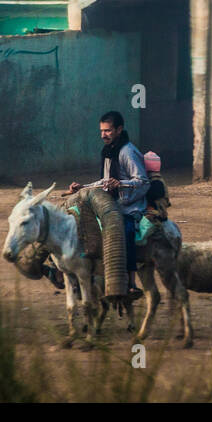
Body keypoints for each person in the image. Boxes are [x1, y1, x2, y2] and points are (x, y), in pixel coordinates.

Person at [63, 111, 150, 300]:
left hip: (130, 206)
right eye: (102, 131)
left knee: (123, 229)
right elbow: (105, 181)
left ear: (119, 130)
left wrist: (122, 184)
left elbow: (143, 182)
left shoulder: (127, 151)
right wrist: (82, 187)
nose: (103, 135)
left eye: (108, 131)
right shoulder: (109, 150)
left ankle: (131, 283)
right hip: (112, 204)